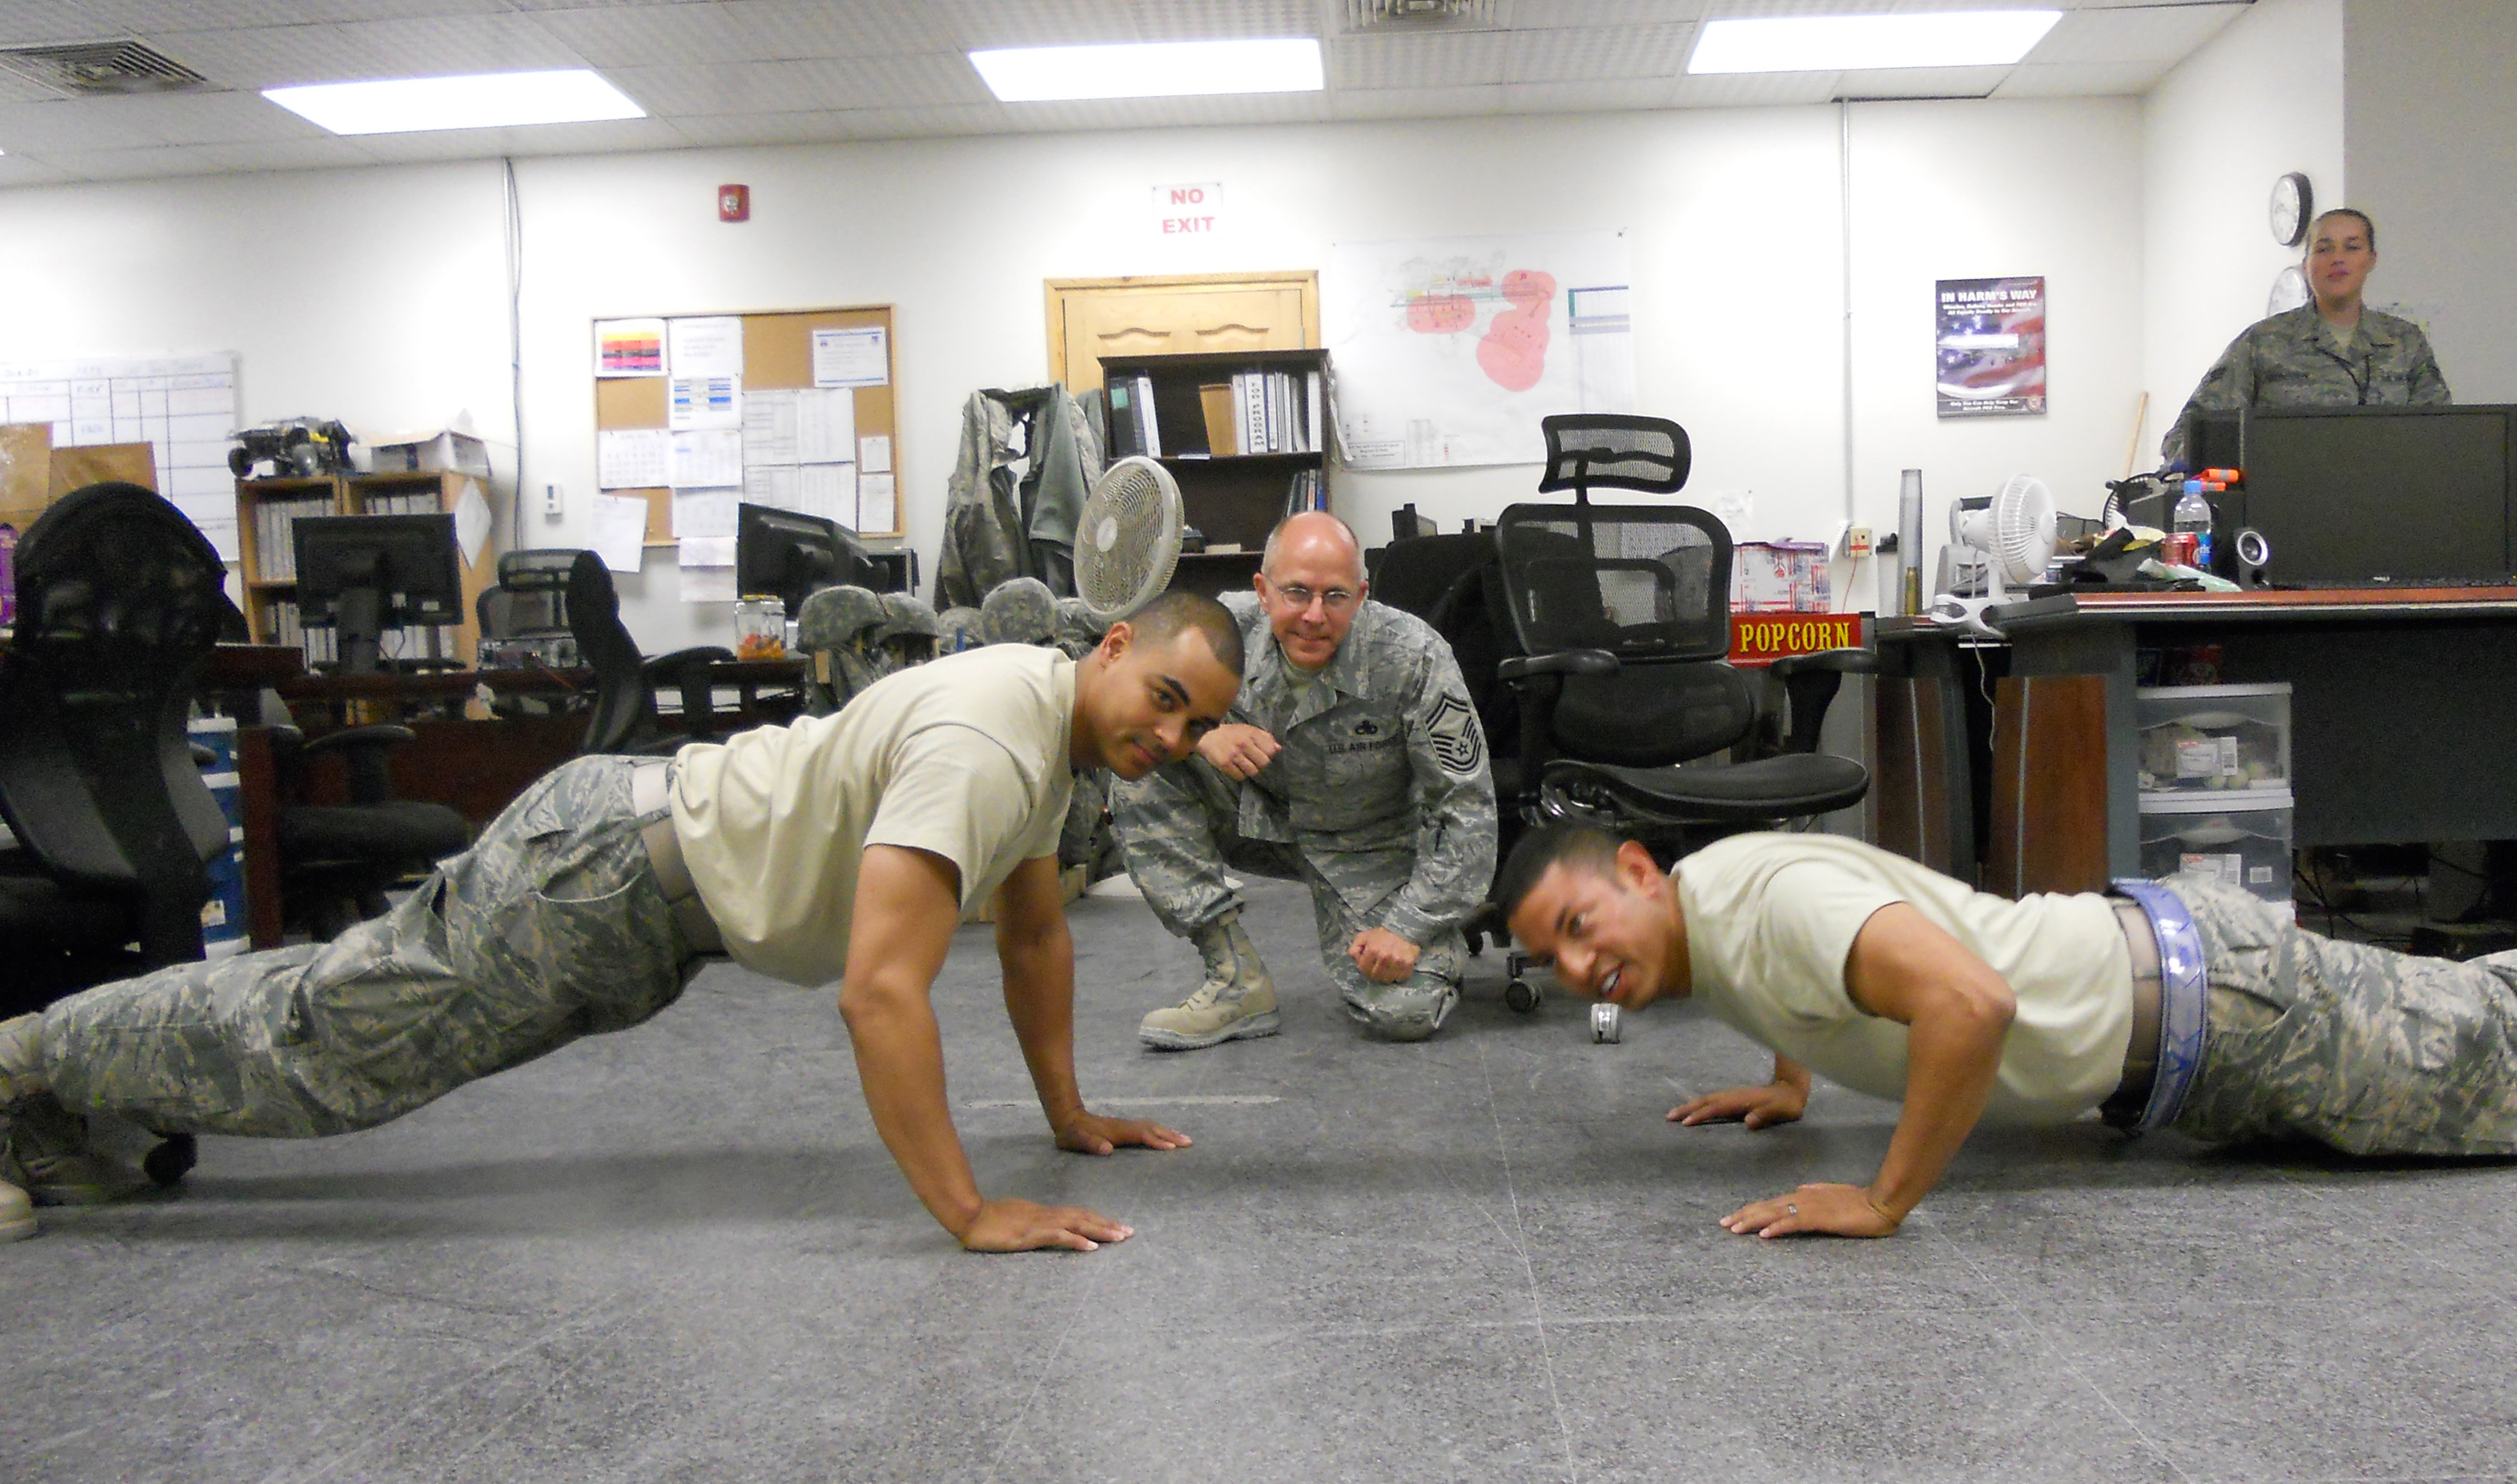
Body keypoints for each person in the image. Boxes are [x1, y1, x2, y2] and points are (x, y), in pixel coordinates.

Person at [0, 593, 1244, 1253]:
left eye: (1193, 728)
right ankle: (24, 1059)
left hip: (632, 902)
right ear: (1116, 645)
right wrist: (969, 1211)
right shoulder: (990, 737)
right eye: (1165, 698)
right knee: (323, 1046)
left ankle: (54, 1109)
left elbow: (1034, 934)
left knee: (333, 1021)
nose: (1172, 738)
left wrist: (1067, 1114)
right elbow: (879, 990)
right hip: (596, 878)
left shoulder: (1040, 719)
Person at [1499, 821, 2517, 1240]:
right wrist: (1791, 1080)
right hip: (2190, 998)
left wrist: (1878, 1198)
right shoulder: (1703, 907)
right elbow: (1797, 979)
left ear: (1636, 872)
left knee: (2492, 1065)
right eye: (1554, 958)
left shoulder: (1764, 910)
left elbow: (1968, 1002)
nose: (1581, 968)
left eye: (1580, 926)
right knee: (2471, 1012)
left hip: (2228, 1011)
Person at [1113, 512, 1496, 1048]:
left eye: (1335, 597)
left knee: (1403, 1015)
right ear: (1262, 591)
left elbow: (1468, 810)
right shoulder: (1219, 634)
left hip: (1374, 847)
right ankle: (1234, 980)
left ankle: (1439, 945)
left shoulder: (1414, 658)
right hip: (1264, 822)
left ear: (1361, 595)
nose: (1314, 616)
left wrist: (1409, 928)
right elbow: (1126, 696)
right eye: (1296, 593)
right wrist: (1198, 735)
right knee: (1142, 769)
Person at [2162, 208, 2450, 467]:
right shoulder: (2264, 342)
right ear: (2306, 264)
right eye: (2324, 249)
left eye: (2352, 247)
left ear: (2372, 260)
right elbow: (2187, 437)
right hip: (2285, 505)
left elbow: (2444, 435)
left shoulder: (2404, 342)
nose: (2338, 259)